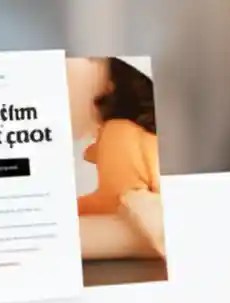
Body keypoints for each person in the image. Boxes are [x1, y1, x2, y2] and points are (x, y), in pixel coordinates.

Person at [69, 58, 164, 260]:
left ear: (109, 86)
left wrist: (62, 208)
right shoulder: (138, 134)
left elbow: (113, 198)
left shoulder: (119, 132)